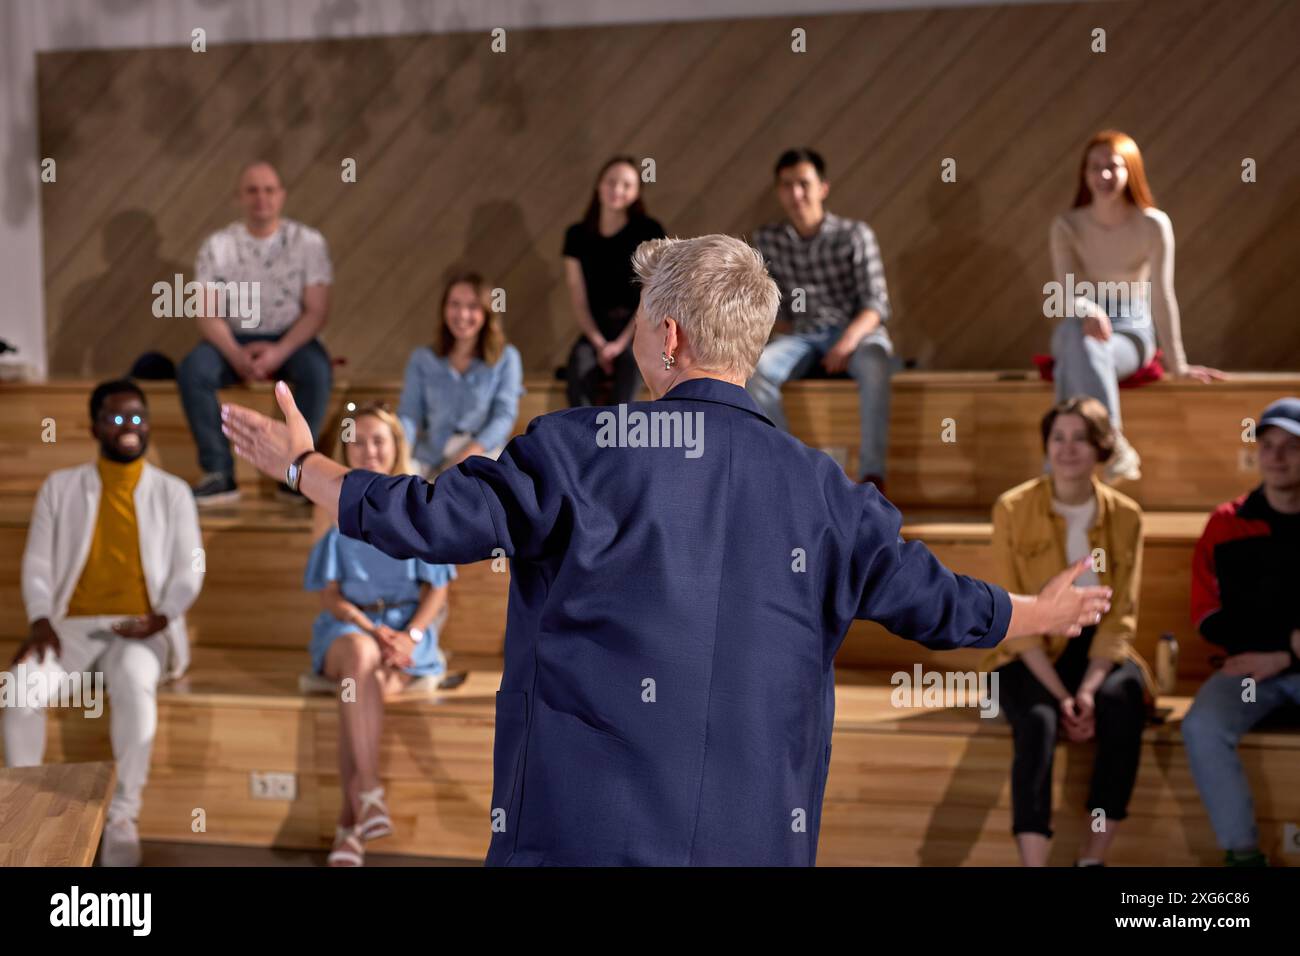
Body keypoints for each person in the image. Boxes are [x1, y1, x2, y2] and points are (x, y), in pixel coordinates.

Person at [221, 234, 1111, 867]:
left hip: (578, 837)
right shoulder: (826, 493)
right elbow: (944, 605)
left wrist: (302, 465)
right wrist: (1046, 609)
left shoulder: (576, 449)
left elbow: (427, 522)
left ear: (670, 336)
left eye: (644, 316)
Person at [3, 380, 203, 866]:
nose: (129, 427)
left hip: (142, 628)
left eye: (137, 417)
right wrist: (41, 620)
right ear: (95, 426)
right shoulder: (61, 486)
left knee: (135, 683)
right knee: (18, 690)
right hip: (70, 628)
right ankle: (25, 809)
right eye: (116, 418)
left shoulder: (173, 492)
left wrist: (163, 615)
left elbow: (191, 566)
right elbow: (37, 566)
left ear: (148, 423)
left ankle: (121, 818)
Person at [981, 396, 1154, 866]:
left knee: (1123, 704)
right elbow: (1014, 614)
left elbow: (1121, 616)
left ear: (1102, 448)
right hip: (1026, 651)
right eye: (1058, 438)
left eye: (1081, 438)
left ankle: (1092, 858)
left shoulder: (1127, 516)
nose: (1068, 448)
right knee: (1038, 721)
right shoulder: (1012, 508)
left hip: (1094, 651)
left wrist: (1090, 692)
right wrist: (1063, 698)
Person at [303, 402, 456, 866]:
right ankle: (367, 789)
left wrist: (408, 635)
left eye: (378, 440)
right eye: (358, 440)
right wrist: (372, 629)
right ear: (345, 446)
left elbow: (438, 590)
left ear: (395, 447)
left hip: (408, 630)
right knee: (359, 656)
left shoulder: (418, 499)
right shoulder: (328, 503)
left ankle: (350, 827)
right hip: (349, 625)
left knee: (357, 691)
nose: (368, 450)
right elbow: (329, 594)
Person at [1048, 130, 1224, 484]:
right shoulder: (1067, 225)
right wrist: (1086, 309)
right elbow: (1063, 293)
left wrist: (1178, 363)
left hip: (1131, 329)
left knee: (1077, 346)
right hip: (1082, 320)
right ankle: (1114, 446)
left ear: (1131, 170)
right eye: (1095, 168)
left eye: (1113, 166)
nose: (1104, 176)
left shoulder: (1153, 224)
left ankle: (1058, 467)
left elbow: (1161, 294)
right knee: (1074, 333)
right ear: (1084, 175)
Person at [1182, 397, 1300, 867]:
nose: (1276, 456)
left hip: (1280, 663)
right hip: (1250, 673)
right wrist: (1284, 646)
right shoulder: (1227, 524)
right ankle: (1244, 856)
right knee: (1202, 725)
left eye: (1291, 446)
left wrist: (1286, 656)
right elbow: (1208, 615)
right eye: (1268, 445)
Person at [178, 160, 333, 505]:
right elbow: (207, 313)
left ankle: (298, 475)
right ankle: (219, 473)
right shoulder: (217, 246)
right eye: (252, 190)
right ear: (239, 198)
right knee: (193, 370)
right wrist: (235, 353)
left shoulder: (308, 242)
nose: (261, 198)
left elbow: (317, 311)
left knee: (317, 372)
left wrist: (278, 352)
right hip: (231, 340)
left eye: (268, 190)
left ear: (281, 196)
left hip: (292, 338)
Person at [746, 148, 894, 491]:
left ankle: (873, 475)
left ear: (823, 187)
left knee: (875, 362)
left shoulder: (854, 234)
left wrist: (846, 343)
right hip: (800, 336)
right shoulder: (768, 240)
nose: (796, 194)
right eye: (786, 186)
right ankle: (796, 470)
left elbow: (876, 305)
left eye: (803, 183)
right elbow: (770, 308)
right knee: (756, 370)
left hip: (854, 332)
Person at [562, 155, 666, 407]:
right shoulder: (577, 235)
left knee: (632, 365)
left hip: (638, 326)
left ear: (637, 192)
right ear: (599, 184)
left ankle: (621, 439)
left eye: (626, 185)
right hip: (595, 329)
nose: (617, 190)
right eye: (611, 182)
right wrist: (599, 342)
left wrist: (620, 344)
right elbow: (578, 295)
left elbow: (650, 291)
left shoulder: (649, 230)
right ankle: (583, 441)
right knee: (579, 366)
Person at [397, 273, 524, 477]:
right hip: (429, 455)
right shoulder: (421, 358)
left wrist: (466, 456)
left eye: (472, 306)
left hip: (482, 454)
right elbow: (409, 415)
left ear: (486, 312)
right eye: (454, 304)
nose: (462, 315)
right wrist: (399, 454)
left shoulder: (507, 358)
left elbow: (504, 416)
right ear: (444, 309)